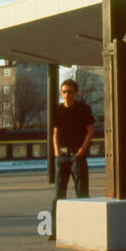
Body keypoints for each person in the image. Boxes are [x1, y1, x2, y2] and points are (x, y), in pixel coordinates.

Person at [50, 79, 95, 237]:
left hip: (77, 156)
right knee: (58, 195)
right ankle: (54, 230)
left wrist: (82, 150)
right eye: (64, 92)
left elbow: (90, 131)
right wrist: (56, 152)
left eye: (69, 91)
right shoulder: (58, 110)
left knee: (82, 193)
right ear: (61, 93)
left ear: (75, 93)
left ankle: (84, 229)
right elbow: (55, 133)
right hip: (61, 156)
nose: (66, 95)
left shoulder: (83, 109)